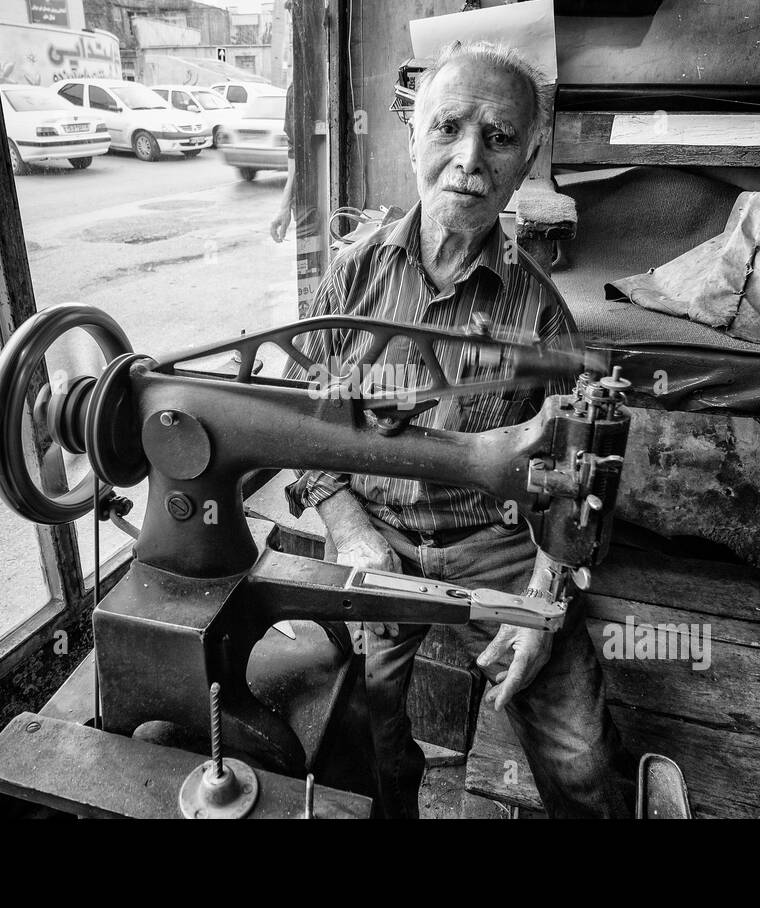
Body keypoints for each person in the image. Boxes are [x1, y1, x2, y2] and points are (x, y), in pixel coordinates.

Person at [284, 40, 629, 818]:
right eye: (448, 128)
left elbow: (577, 481)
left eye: (500, 138)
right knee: (365, 741)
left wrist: (545, 595)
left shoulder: (540, 315)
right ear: (412, 136)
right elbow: (300, 413)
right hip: (378, 531)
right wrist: (347, 528)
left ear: (527, 159)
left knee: (582, 757)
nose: (469, 159)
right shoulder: (351, 279)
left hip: (496, 544)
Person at [270, 78, 295, 242]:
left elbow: (295, 148)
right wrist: (285, 205)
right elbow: (295, 149)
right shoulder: (296, 88)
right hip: (309, 201)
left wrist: (285, 205)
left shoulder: (298, 88)